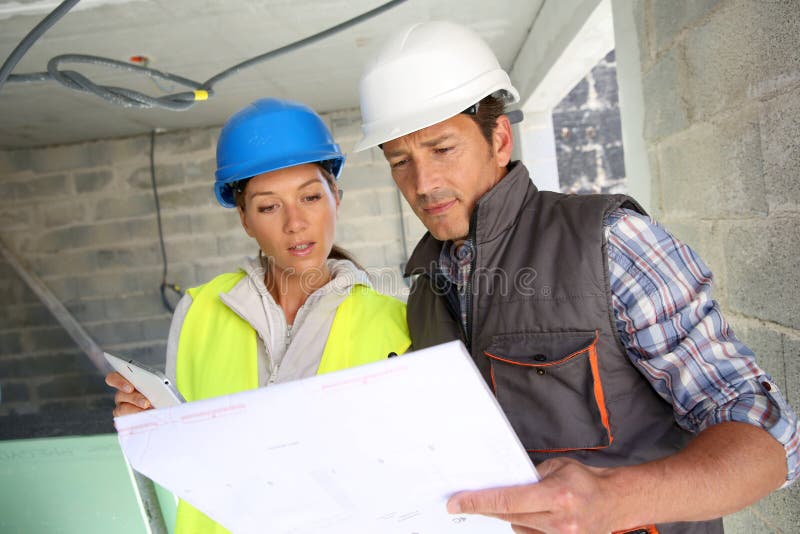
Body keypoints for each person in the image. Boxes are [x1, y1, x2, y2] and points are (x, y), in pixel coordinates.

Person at [353, 21, 799, 534]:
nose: (423, 183)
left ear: (499, 139)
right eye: (400, 161)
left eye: (442, 149)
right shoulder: (425, 286)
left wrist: (614, 499)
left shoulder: (609, 242)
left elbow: (770, 436)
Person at [106, 97, 411, 533]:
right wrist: (145, 427)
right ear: (245, 219)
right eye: (269, 206)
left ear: (336, 198)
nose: (296, 223)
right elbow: (182, 463)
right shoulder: (200, 311)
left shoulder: (398, 323)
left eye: (310, 197)